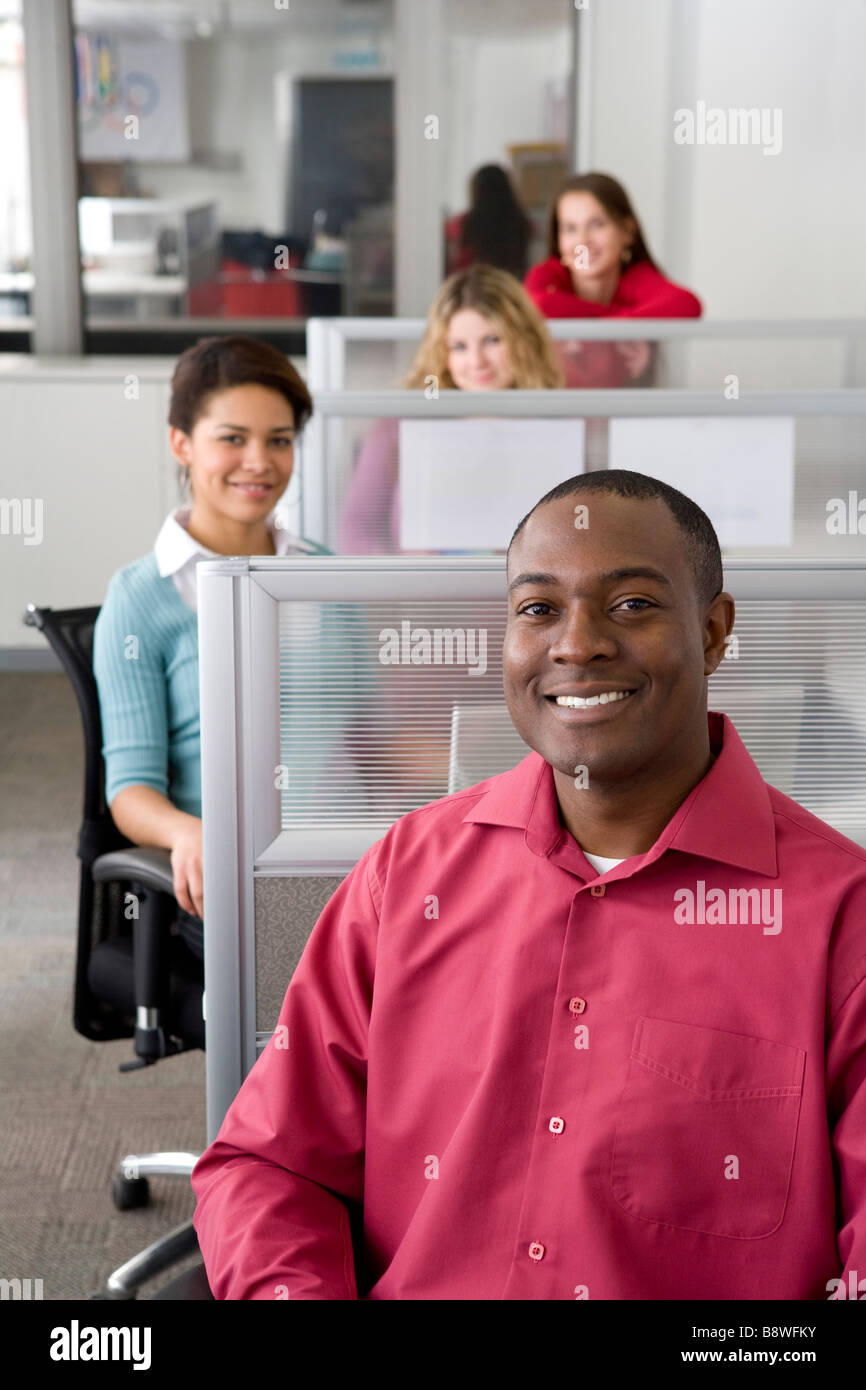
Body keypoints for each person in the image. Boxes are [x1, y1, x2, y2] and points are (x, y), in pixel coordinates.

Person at [191, 468, 866, 1300]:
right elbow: (271, 1163)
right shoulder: (409, 874)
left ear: (716, 631)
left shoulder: (842, 920)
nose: (576, 644)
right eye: (538, 609)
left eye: (632, 606)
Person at [93, 336, 327, 937]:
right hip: (238, 873)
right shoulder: (141, 596)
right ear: (182, 444)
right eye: (232, 439)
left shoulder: (327, 574)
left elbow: (369, 739)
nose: (260, 461)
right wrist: (187, 833)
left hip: (349, 851)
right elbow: (131, 790)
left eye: (279, 441)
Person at [337, 264, 564, 554]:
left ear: (523, 341)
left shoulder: (558, 423)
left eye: (492, 340)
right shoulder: (399, 425)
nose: (477, 361)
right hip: (419, 594)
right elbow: (357, 529)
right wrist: (402, 580)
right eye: (459, 346)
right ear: (441, 353)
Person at [524, 171, 702, 388]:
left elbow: (687, 304)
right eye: (570, 228)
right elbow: (539, 305)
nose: (582, 241)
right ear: (558, 239)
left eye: (597, 224)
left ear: (627, 231)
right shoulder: (547, 276)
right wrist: (622, 330)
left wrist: (616, 329)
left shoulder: (636, 279)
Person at [444, 163, 532, 279]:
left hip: (469, 289)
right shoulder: (523, 225)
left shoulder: (460, 226)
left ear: (475, 191)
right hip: (510, 289)